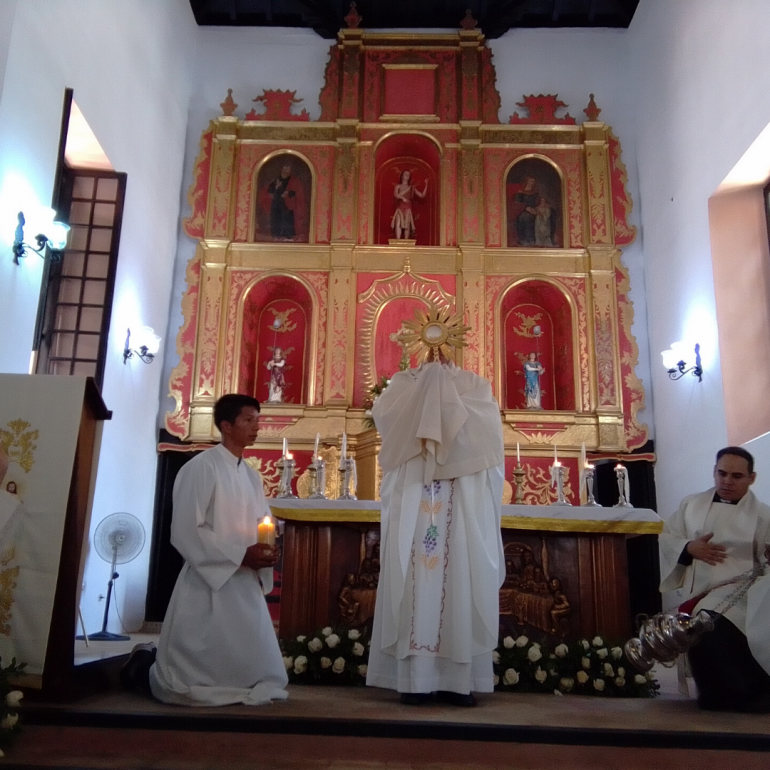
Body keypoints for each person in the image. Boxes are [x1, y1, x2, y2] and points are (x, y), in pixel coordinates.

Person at [124, 394, 288, 706]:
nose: (257, 427)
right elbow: (185, 530)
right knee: (197, 661)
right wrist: (240, 554)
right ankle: (141, 666)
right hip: (209, 577)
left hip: (242, 579)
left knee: (250, 657)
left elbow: (261, 523)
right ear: (227, 426)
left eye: (258, 420)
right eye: (248, 420)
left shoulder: (251, 476)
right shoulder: (201, 468)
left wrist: (266, 550)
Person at [366, 355, 505, 707]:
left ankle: (458, 682)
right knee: (415, 582)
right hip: (415, 495)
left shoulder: (473, 386)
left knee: (460, 577)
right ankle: (415, 681)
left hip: (460, 503)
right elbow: (386, 420)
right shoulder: (402, 385)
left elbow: (488, 440)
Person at [659, 446, 770, 712]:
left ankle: (747, 692)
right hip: (698, 591)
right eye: (721, 473)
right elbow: (667, 536)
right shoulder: (691, 504)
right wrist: (688, 547)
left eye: (736, 476)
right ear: (714, 472)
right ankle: (714, 694)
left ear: (751, 478)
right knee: (701, 621)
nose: (727, 481)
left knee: (711, 624)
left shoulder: (763, 515)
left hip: (743, 593)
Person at [262, 163, 306, 240]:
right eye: (284, 168)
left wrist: (288, 192)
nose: (285, 171)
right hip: (276, 202)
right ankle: (276, 234)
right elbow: (270, 189)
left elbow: (297, 191)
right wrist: (276, 187)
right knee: (276, 218)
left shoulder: (294, 180)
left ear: (290, 170)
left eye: (287, 169)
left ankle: (288, 235)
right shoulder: (277, 180)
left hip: (287, 203)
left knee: (287, 219)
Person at [391, 170, 428, 240]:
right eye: (406, 174)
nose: (407, 176)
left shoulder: (412, 188)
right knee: (398, 222)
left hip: (408, 208)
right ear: (402, 176)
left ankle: (406, 241)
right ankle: (397, 241)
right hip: (400, 207)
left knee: (407, 224)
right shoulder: (398, 186)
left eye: (408, 175)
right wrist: (402, 198)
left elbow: (422, 195)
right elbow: (395, 194)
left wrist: (426, 185)